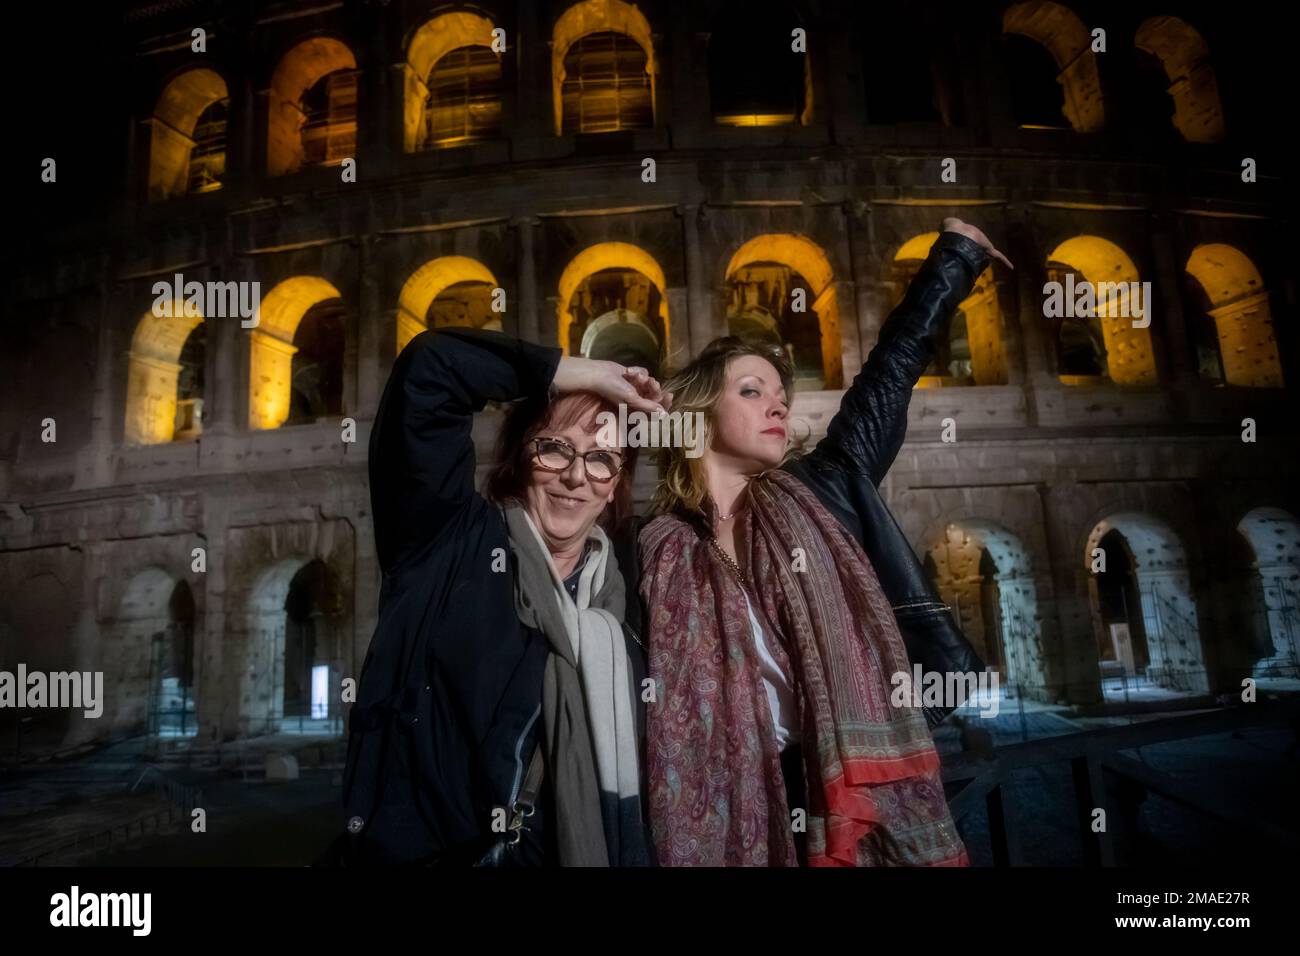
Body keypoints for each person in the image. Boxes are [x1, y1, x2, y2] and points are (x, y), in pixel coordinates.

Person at [638, 219, 1013, 866]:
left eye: (780, 395)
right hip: (734, 804)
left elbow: (891, 373)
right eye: (751, 391)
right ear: (696, 412)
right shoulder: (656, 547)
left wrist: (954, 258)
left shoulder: (827, 486)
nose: (777, 406)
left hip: (845, 790)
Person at [334, 326, 667, 866]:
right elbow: (430, 370)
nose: (575, 476)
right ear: (518, 456)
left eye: (602, 459)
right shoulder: (446, 543)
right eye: (555, 448)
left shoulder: (626, 601)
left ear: (615, 486)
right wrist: (577, 372)